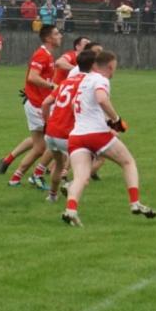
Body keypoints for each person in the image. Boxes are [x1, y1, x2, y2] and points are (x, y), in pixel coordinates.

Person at [62, 50, 156, 226]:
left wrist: (107, 122)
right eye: (115, 68)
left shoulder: (83, 79)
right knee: (128, 162)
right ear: (110, 66)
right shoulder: (101, 79)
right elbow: (101, 99)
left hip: (76, 136)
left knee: (80, 178)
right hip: (96, 134)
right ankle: (135, 203)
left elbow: (82, 106)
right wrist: (116, 120)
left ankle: (71, 210)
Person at [0, 25, 62, 187]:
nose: (60, 36)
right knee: (57, 140)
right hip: (37, 105)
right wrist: (52, 87)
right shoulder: (42, 55)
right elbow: (32, 77)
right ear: (48, 38)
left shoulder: (47, 55)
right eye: (56, 33)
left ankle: (15, 178)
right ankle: (38, 174)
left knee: (41, 146)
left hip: (38, 103)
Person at [40, 44, 101, 203]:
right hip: (66, 134)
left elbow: (46, 103)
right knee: (92, 158)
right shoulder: (88, 83)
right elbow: (77, 105)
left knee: (58, 165)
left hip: (51, 133)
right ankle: (70, 186)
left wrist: (46, 123)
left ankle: (52, 196)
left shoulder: (66, 82)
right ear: (94, 66)